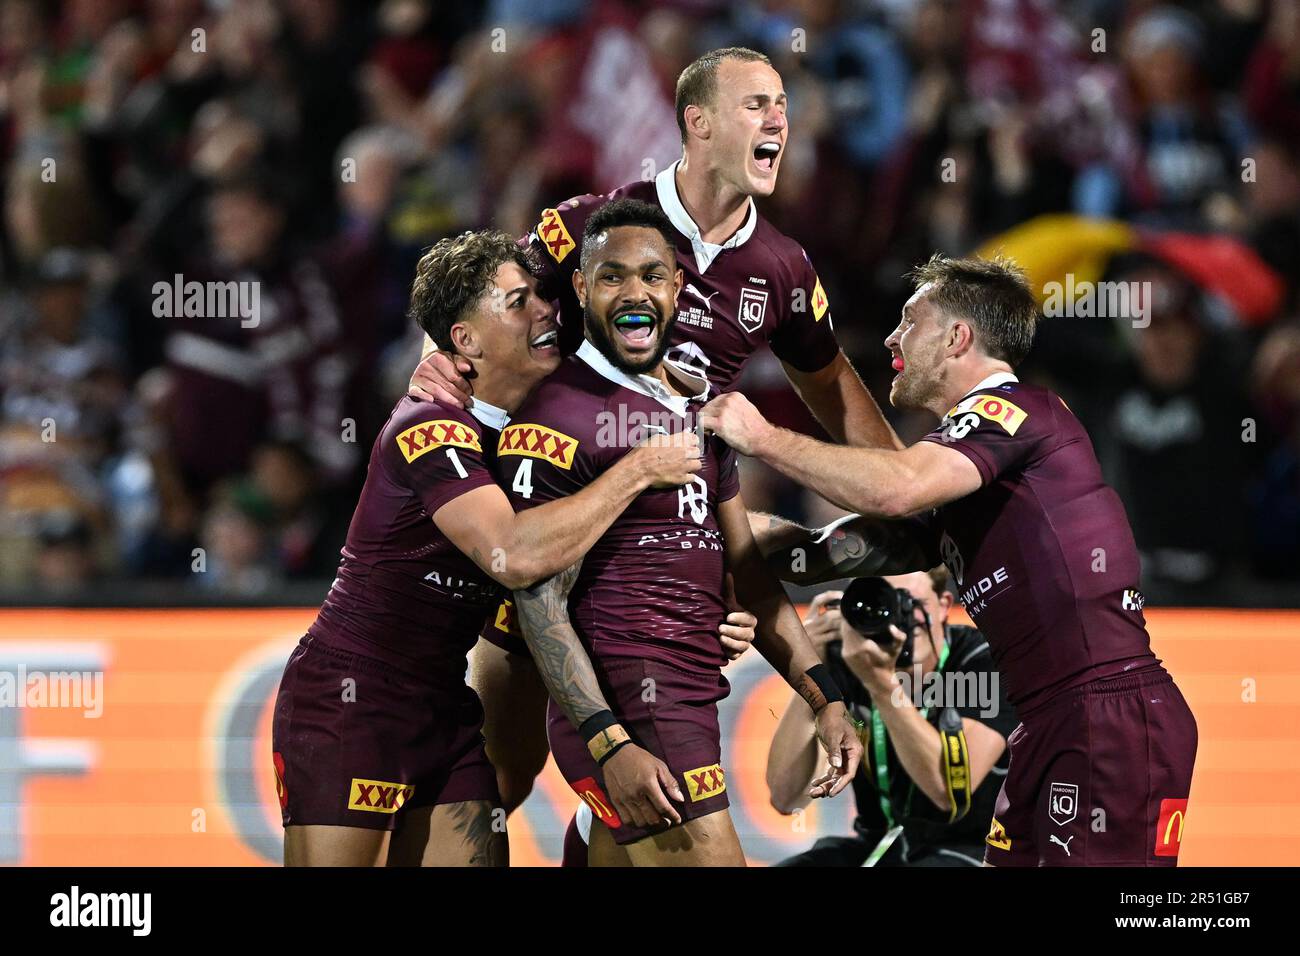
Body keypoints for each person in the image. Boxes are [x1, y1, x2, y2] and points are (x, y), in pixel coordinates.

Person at [408, 44, 900, 818]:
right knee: (502, 774)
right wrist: (436, 370)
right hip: (555, 525)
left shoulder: (783, 269)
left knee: (640, 794)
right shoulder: (590, 227)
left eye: (783, 105)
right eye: (757, 103)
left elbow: (832, 383)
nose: (780, 117)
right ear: (697, 122)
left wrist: (904, 488)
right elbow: (484, 311)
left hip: (660, 556)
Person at [701, 254, 1199, 866]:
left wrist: (762, 437)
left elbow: (895, 487)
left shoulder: (1015, 412)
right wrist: (698, 528)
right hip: (1052, 718)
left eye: (910, 321)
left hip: (1106, 710)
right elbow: (818, 551)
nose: (891, 337)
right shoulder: (964, 481)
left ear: (958, 337)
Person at [272, 229, 708, 866]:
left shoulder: (537, 432)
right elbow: (513, 554)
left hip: (446, 704)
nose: (546, 310)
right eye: (518, 302)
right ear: (465, 342)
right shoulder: (430, 425)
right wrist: (638, 469)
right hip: (352, 695)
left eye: (542, 297)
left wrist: (714, 600)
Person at [504, 199, 862, 866]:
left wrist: (825, 697)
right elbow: (538, 601)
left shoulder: (700, 410)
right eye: (611, 277)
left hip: (685, 704)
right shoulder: (556, 416)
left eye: (651, 275)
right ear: (580, 288)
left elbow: (748, 571)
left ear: (677, 287)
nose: (634, 292)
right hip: (637, 718)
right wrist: (610, 743)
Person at [768, 571, 1015, 867]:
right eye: (884, 605)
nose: (899, 618)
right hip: (882, 844)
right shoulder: (851, 659)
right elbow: (786, 798)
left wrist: (880, 682)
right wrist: (812, 671)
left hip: (975, 848)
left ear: (944, 603)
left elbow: (947, 793)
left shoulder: (983, 662)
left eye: (909, 603)